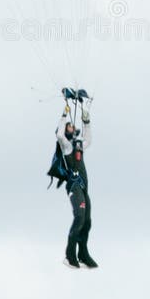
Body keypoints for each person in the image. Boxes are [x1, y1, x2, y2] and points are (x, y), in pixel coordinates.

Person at [56, 104, 98, 269]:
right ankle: (69, 255)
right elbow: (59, 134)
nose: (72, 126)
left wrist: (86, 121)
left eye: (73, 125)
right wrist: (64, 114)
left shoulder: (79, 144)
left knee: (87, 221)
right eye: (69, 126)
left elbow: (89, 139)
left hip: (84, 188)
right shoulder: (66, 145)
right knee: (79, 217)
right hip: (74, 187)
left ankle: (83, 254)